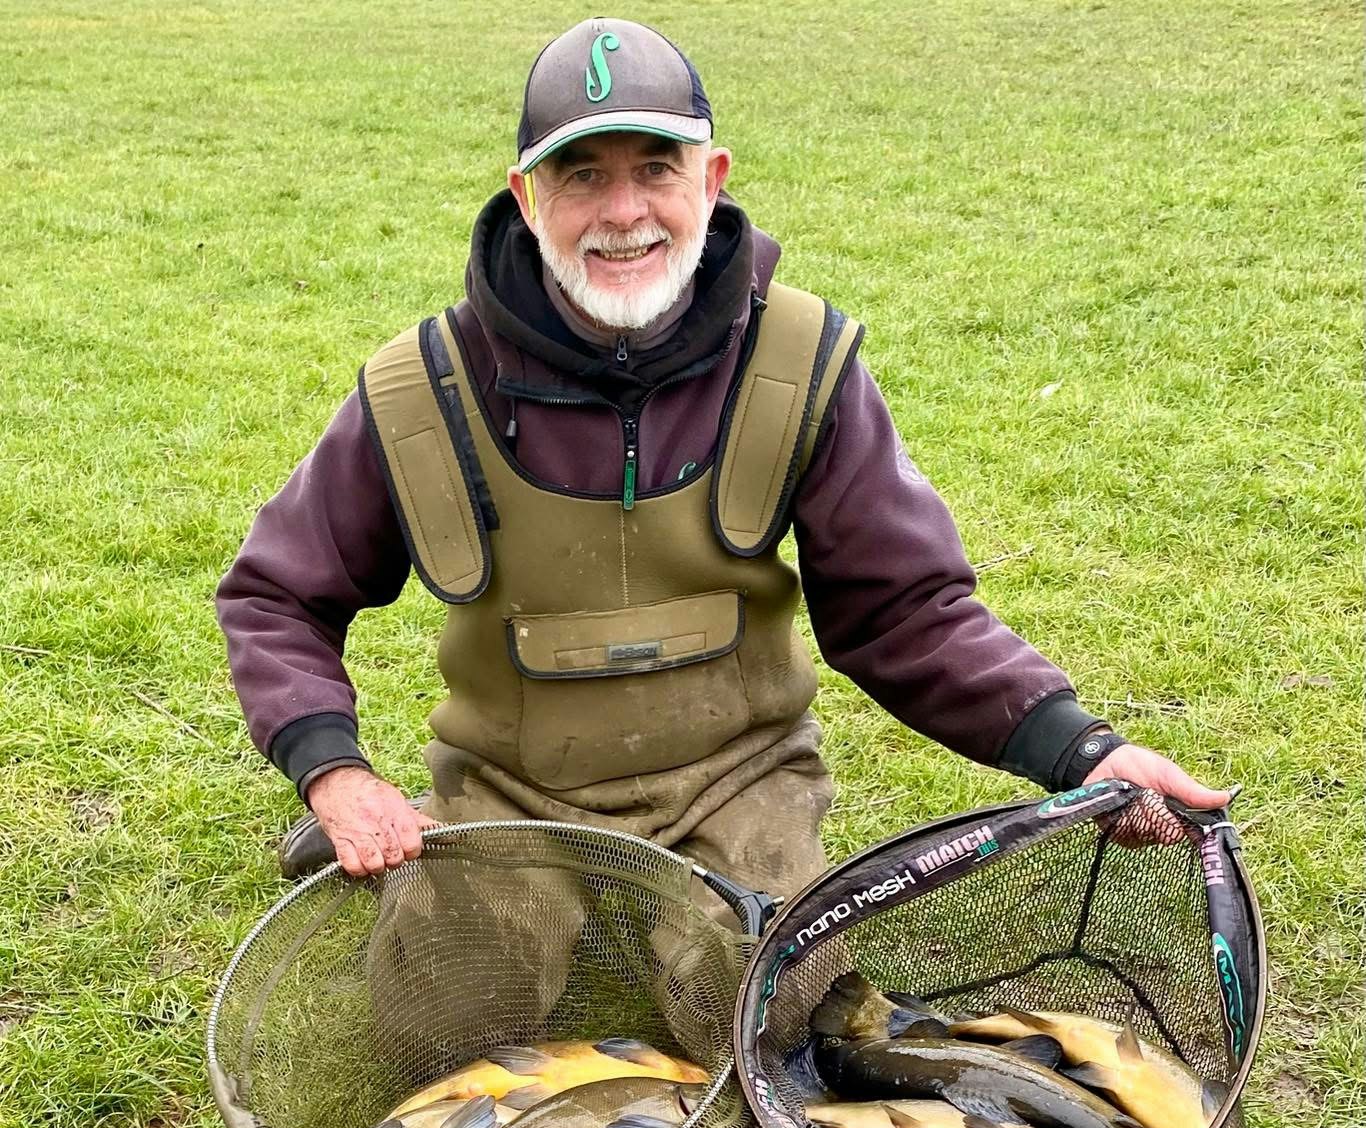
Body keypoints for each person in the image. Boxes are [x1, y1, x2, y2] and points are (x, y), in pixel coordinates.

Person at [217, 15, 1230, 889]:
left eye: (655, 169)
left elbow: (905, 607)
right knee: (445, 1024)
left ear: (711, 179)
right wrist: (334, 770)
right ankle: (394, 864)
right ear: (526, 199)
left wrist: (1082, 752)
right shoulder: (420, 386)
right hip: (514, 792)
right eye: (582, 176)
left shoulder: (802, 360)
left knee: (776, 1004)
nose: (624, 214)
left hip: (741, 784)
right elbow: (275, 595)